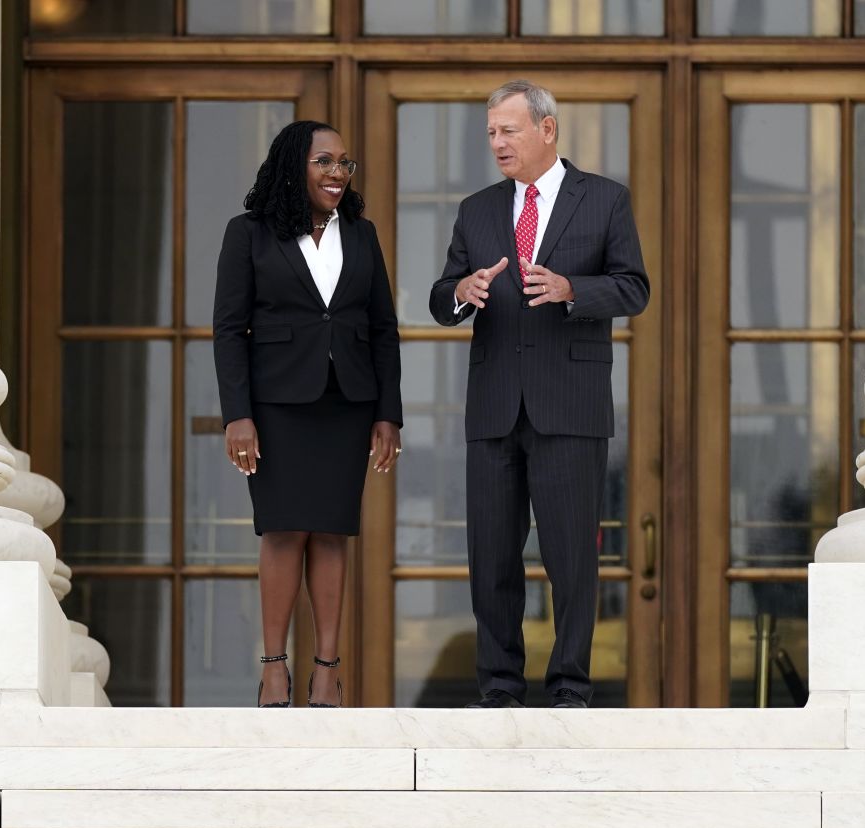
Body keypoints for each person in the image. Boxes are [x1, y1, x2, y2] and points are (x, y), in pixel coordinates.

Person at [428, 80, 649, 709]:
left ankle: (570, 687)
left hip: (570, 405)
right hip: (495, 407)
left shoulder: (604, 199)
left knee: (571, 559)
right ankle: (498, 688)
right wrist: (460, 292)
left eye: (509, 130)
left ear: (547, 130)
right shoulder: (476, 209)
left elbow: (634, 288)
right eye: (491, 132)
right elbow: (440, 297)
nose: (497, 142)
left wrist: (572, 290)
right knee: (492, 558)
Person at [214, 120, 402, 708]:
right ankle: (274, 669)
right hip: (275, 406)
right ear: (295, 165)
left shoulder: (363, 236)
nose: (337, 174)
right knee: (282, 529)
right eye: (325, 162)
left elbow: (382, 331)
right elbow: (227, 330)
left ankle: (325, 670)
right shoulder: (249, 234)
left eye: (345, 164)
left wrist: (387, 413)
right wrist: (237, 415)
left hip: (347, 402)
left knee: (331, 531)